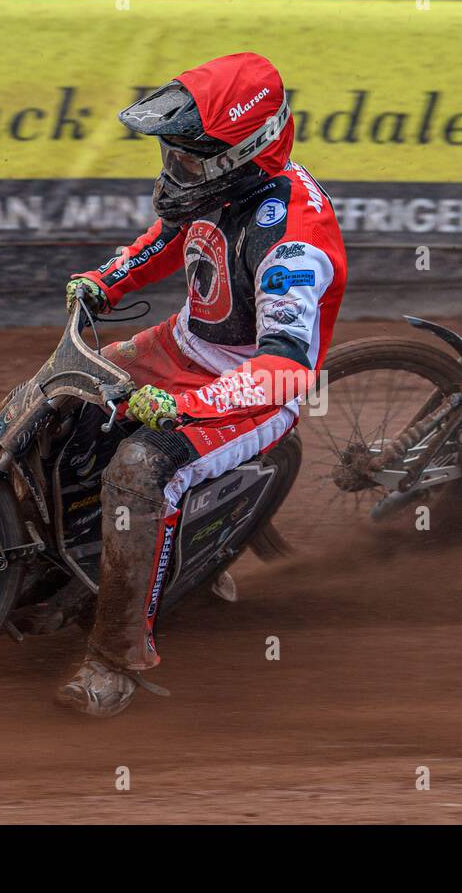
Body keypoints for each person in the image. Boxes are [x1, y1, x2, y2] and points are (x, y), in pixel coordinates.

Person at [55, 52, 347, 717]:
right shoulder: (219, 188)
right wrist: (107, 280)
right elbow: (167, 236)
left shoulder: (296, 243)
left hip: (248, 389)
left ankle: (114, 660)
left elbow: (284, 371)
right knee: (59, 394)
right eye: (175, 152)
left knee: (138, 468)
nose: (175, 166)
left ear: (237, 156)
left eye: (190, 156)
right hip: (181, 344)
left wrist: (182, 407)